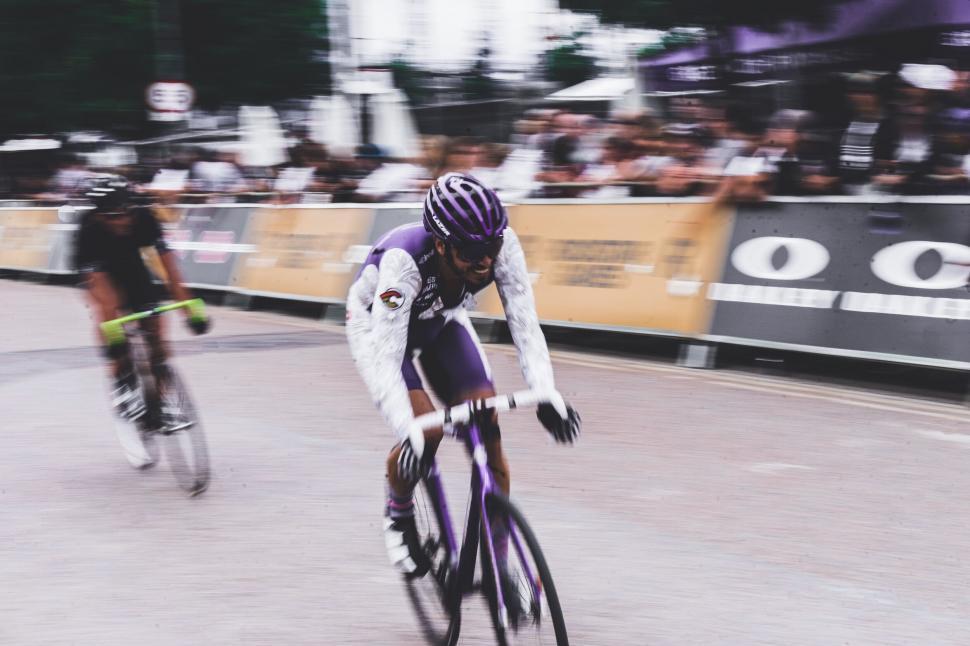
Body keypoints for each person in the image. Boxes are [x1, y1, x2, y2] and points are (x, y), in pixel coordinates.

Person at [345, 172, 581, 582]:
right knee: (427, 433)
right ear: (440, 244)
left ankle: (498, 567)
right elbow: (386, 359)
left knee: (486, 423)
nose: (486, 260)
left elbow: (525, 324)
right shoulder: (403, 264)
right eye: (473, 251)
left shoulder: (503, 246)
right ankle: (399, 513)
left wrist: (545, 392)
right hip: (379, 330)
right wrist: (411, 429)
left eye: (491, 247)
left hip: (439, 318)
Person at [74, 176, 210, 430]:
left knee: (156, 333)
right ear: (99, 215)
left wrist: (190, 310)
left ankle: (160, 404)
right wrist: (113, 336)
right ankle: (121, 382)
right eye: (112, 217)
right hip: (99, 272)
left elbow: (171, 270)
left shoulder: (145, 218)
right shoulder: (88, 228)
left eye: (124, 214)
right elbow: (103, 295)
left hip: (133, 270)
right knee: (110, 314)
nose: (121, 221)